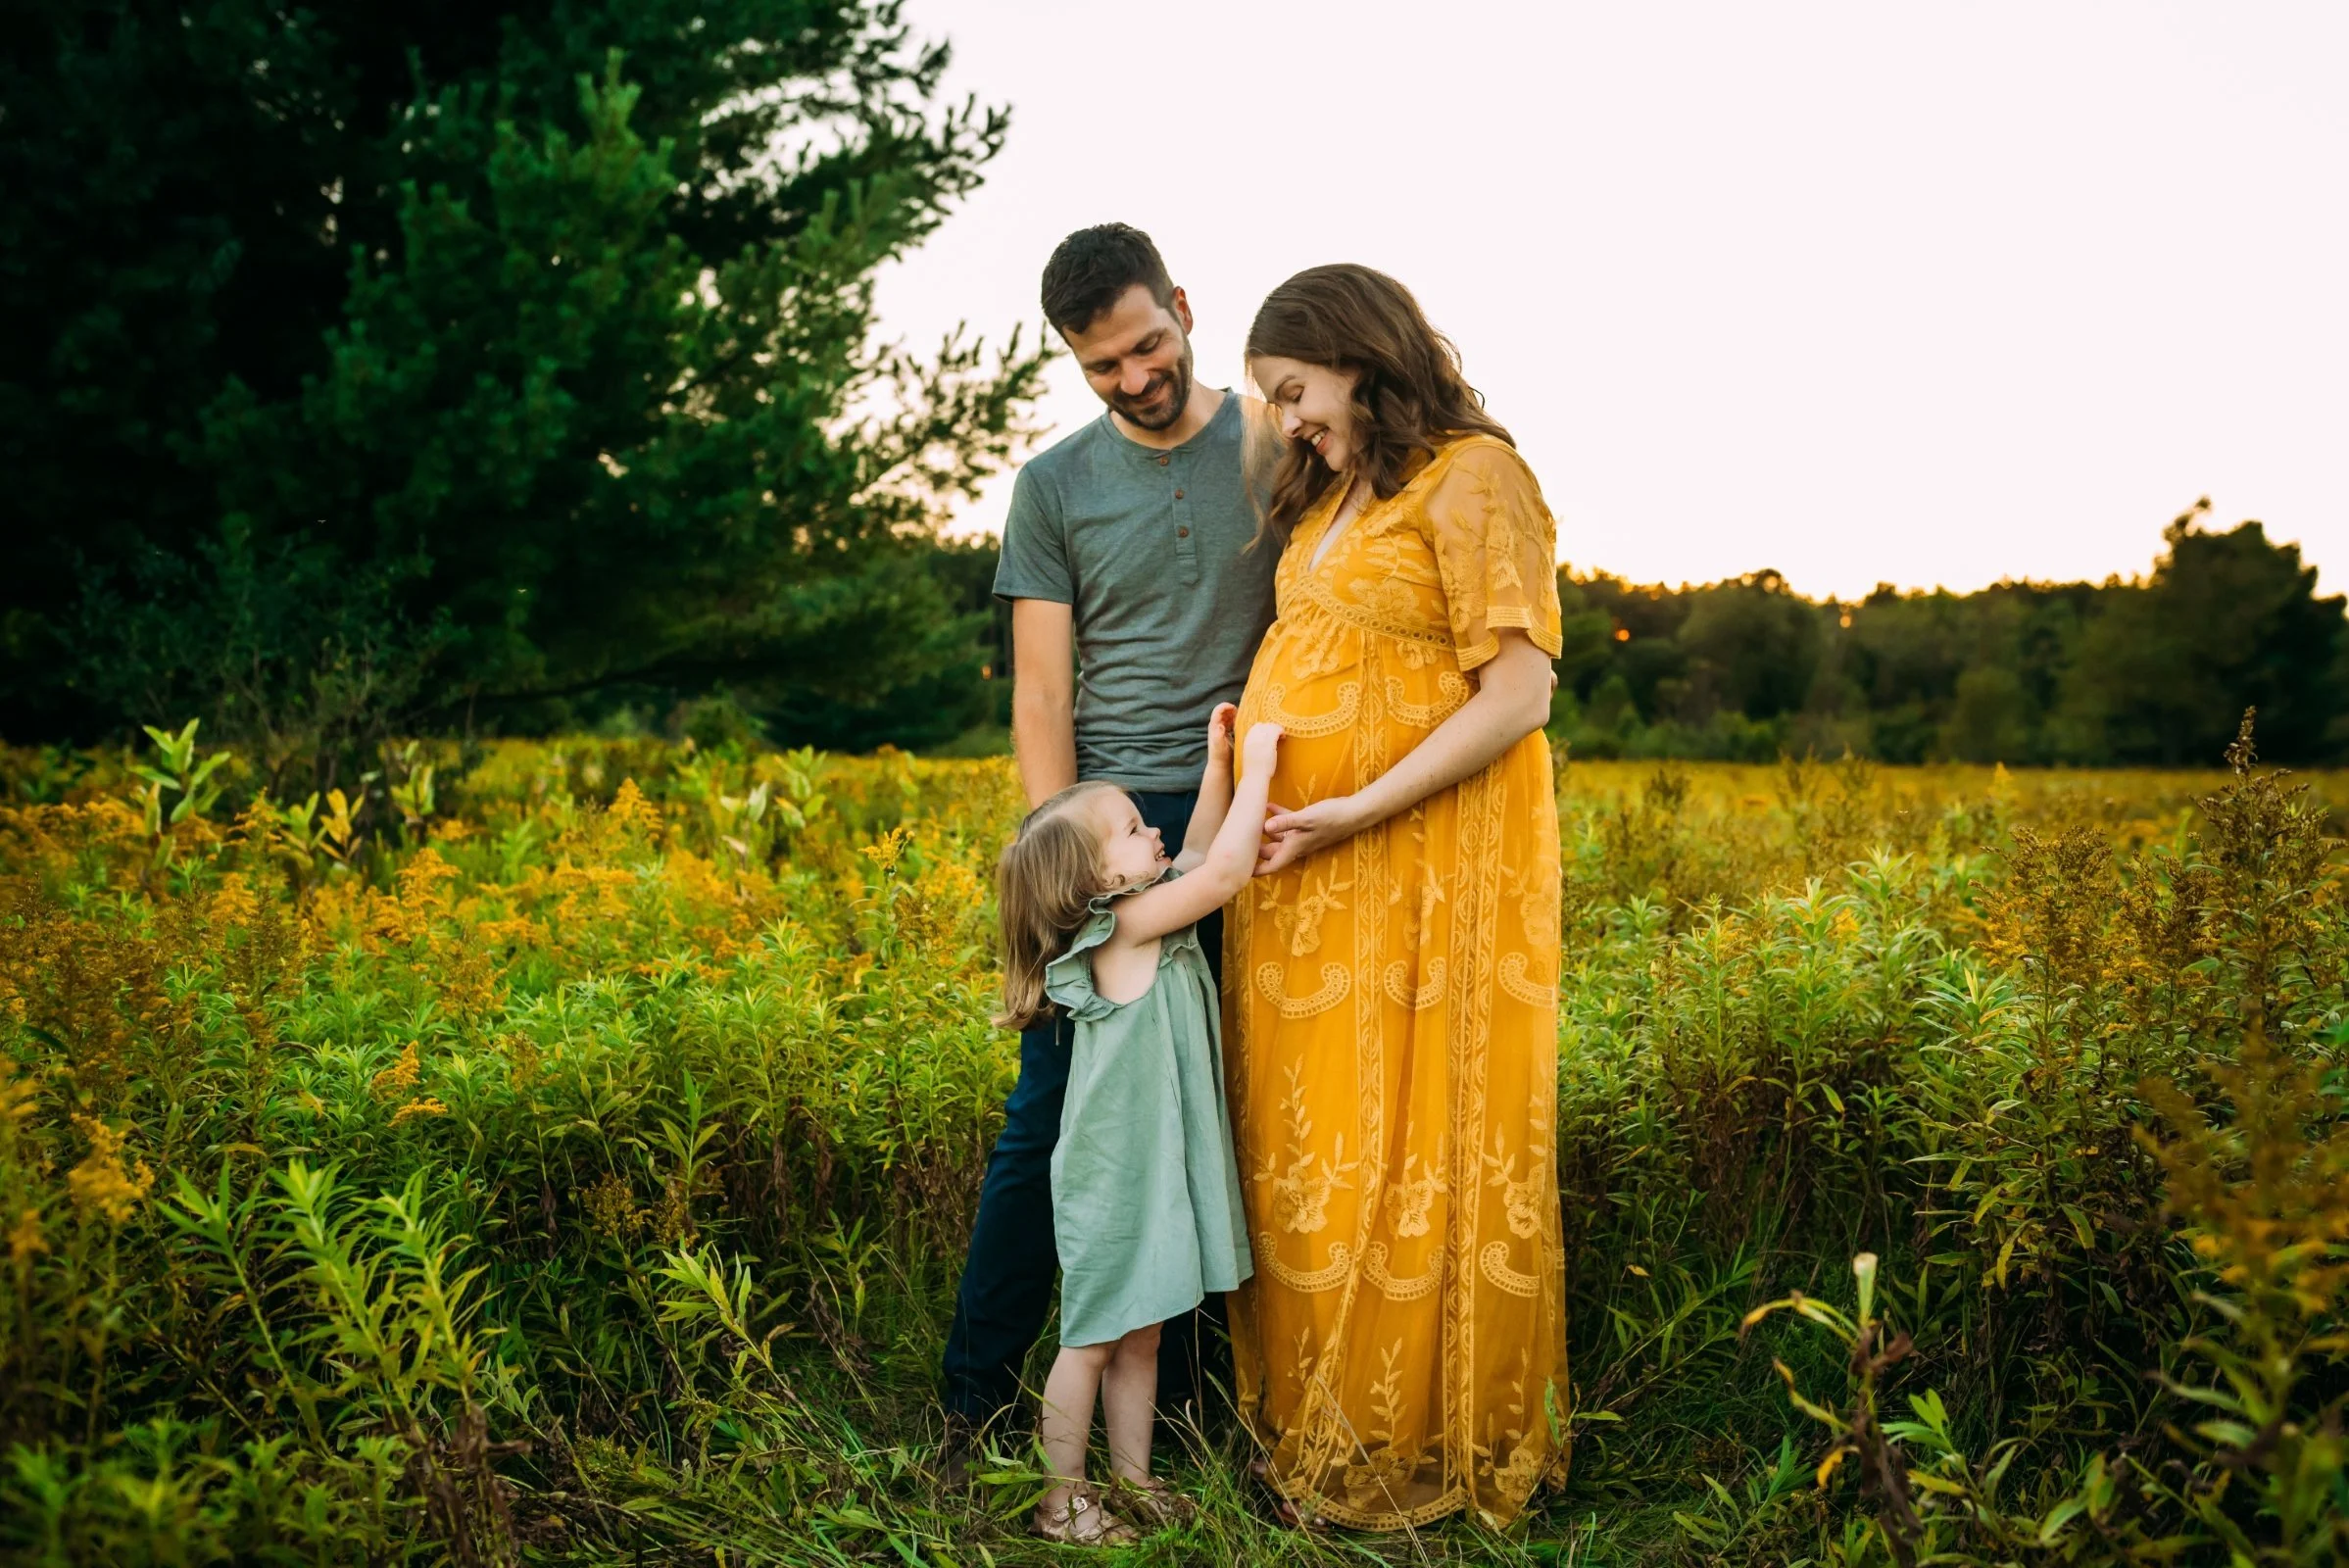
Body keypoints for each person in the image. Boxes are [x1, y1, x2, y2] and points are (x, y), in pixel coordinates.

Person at [1224, 264, 1570, 1529]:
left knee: (1407, 1149)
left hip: (1421, 875)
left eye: (1295, 391)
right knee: (1316, 1149)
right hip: (1305, 891)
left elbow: (1518, 695)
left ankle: (1404, 1447)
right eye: (1272, 401)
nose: (1289, 420)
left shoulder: (1476, 477)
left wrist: (1357, 805)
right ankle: (1319, 1426)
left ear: (1356, 356)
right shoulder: (1334, 493)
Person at [942, 224, 1278, 1443]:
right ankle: (974, 1398)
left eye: (1149, 346)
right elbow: (1040, 691)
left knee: (1211, 1099)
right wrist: (1065, 865)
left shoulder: (1274, 440)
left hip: (1249, 806)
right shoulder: (1054, 485)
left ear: (1184, 307)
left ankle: (1188, 1408)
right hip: (1112, 827)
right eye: (1102, 367)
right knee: (1055, 1113)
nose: (1135, 379)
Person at [993, 710, 1283, 1543]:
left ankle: (1133, 1480)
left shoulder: (1147, 903)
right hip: (1114, 1173)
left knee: (1142, 1337)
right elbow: (1223, 873)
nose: (1147, 828)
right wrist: (1262, 768)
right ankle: (1060, 1500)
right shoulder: (1116, 928)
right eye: (1127, 827)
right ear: (1087, 880)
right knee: (1090, 1341)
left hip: (1153, 1165)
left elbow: (1193, 854)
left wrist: (1217, 761)